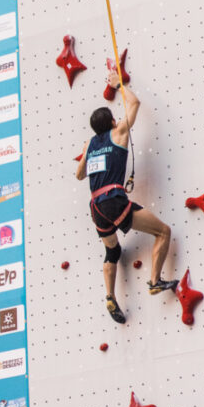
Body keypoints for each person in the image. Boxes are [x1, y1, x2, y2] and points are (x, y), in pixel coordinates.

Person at [75, 71, 177, 323]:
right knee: (163, 232)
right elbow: (135, 103)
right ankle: (155, 281)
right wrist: (118, 84)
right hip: (113, 200)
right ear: (112, 121)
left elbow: (79, 175)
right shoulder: (119, 131)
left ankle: (110, 296)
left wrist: (89, 155)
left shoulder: (90, 144)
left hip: (96, 207)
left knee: (113, 251)